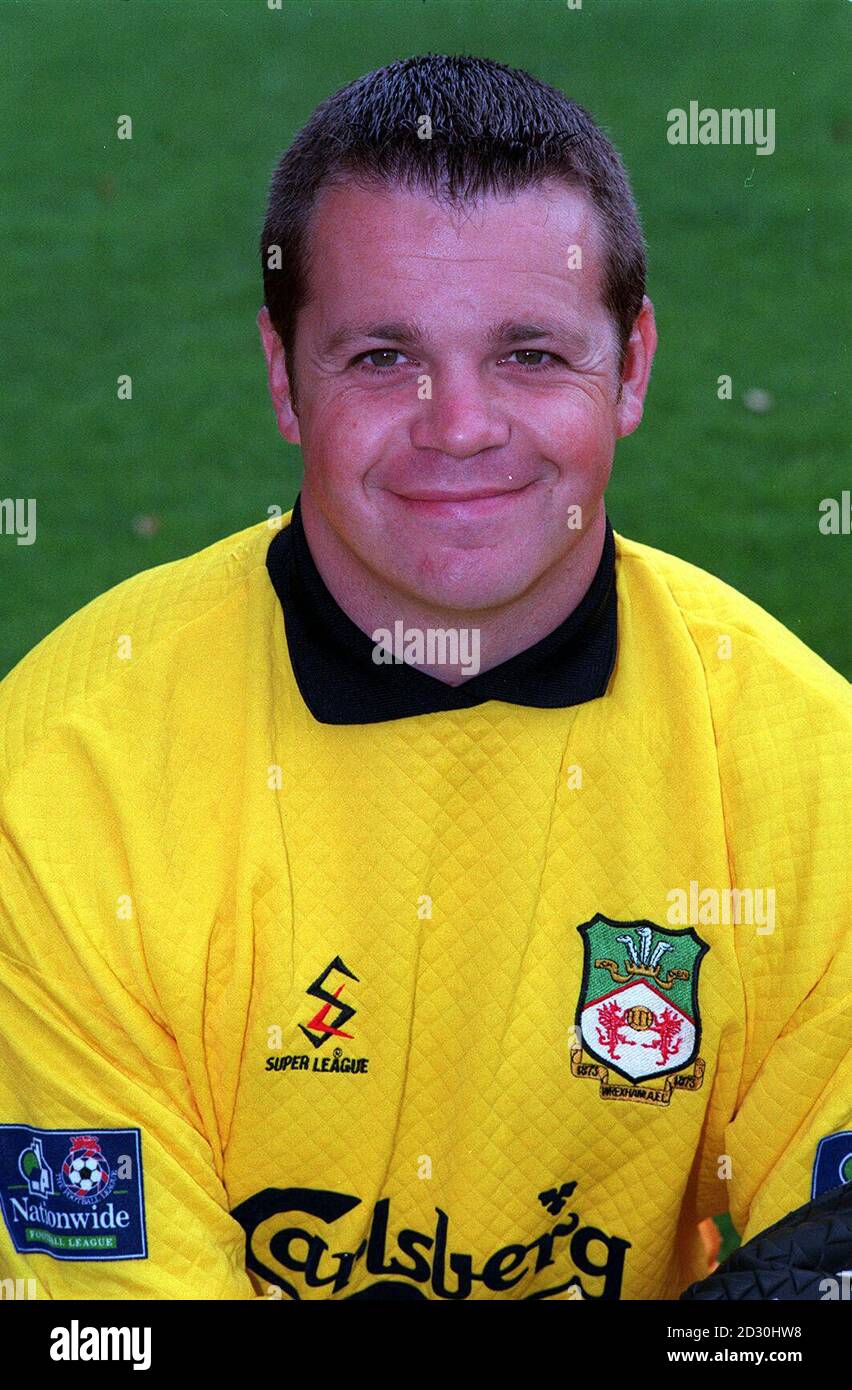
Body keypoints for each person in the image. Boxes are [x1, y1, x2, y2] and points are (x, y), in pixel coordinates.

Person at [0, 54, 848, 1301]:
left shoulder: (808, 766)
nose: (459, 426)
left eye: (530, 354)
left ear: (636, 366)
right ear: (286, 378)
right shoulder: (60, 772)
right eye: (384, 357)